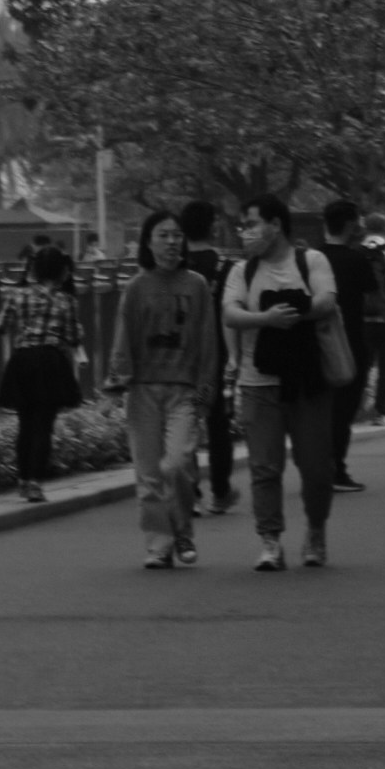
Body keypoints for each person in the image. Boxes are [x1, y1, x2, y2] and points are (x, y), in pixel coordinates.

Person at [221, 192, 349, 568]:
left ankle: (315, 530)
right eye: (243, 226)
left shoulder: (312, 261)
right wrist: (265, 319)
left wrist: (293, 310)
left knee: (316, 467)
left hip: (307, 381)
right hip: (257, 382)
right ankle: (270, 541)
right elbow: (230, 313)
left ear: (275, 225)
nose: (246, 233)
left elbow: (327, 301)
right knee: (264, 466)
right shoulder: (240, 271)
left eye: (252, 224)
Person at [108, 204, 218, 567]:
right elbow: (124, 337)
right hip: (143, 391)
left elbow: (207, 344)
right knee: (149, 476)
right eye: (163, 236)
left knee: (176, 465)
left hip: (184, 393)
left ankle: (183, 530)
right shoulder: (137, 287)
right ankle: (159, 545)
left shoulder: (197, 286)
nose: (172, 242)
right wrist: (118, 381)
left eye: (177, 236)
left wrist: (205, 396)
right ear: (148, 243)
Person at [0, 234, 84, 506]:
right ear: (61, 271)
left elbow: (0, 327)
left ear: (33, 268)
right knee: (44, 425)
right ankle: (35, 481)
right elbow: (72, 337)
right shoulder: (67, 301)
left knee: (25, 422)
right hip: (51, 362)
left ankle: (22, 480)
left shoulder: (16, 295)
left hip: (22, 360)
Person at [318, 191, 385, 487]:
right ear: (349, 225)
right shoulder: (358, 260)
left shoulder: (312, 258)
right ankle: (337, 468)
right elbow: (376, 300)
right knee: (345, 407)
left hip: (317, 344)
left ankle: (320, 465)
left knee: (322, 407)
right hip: (350, 343)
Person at [177, 195, 239, 524]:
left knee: (183, 425)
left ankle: (191, 494)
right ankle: (220, 492)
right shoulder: (226, 268)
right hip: (215, 361)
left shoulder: (174, 265)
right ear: (212, 226)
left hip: (180, 360)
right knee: (217, 426)